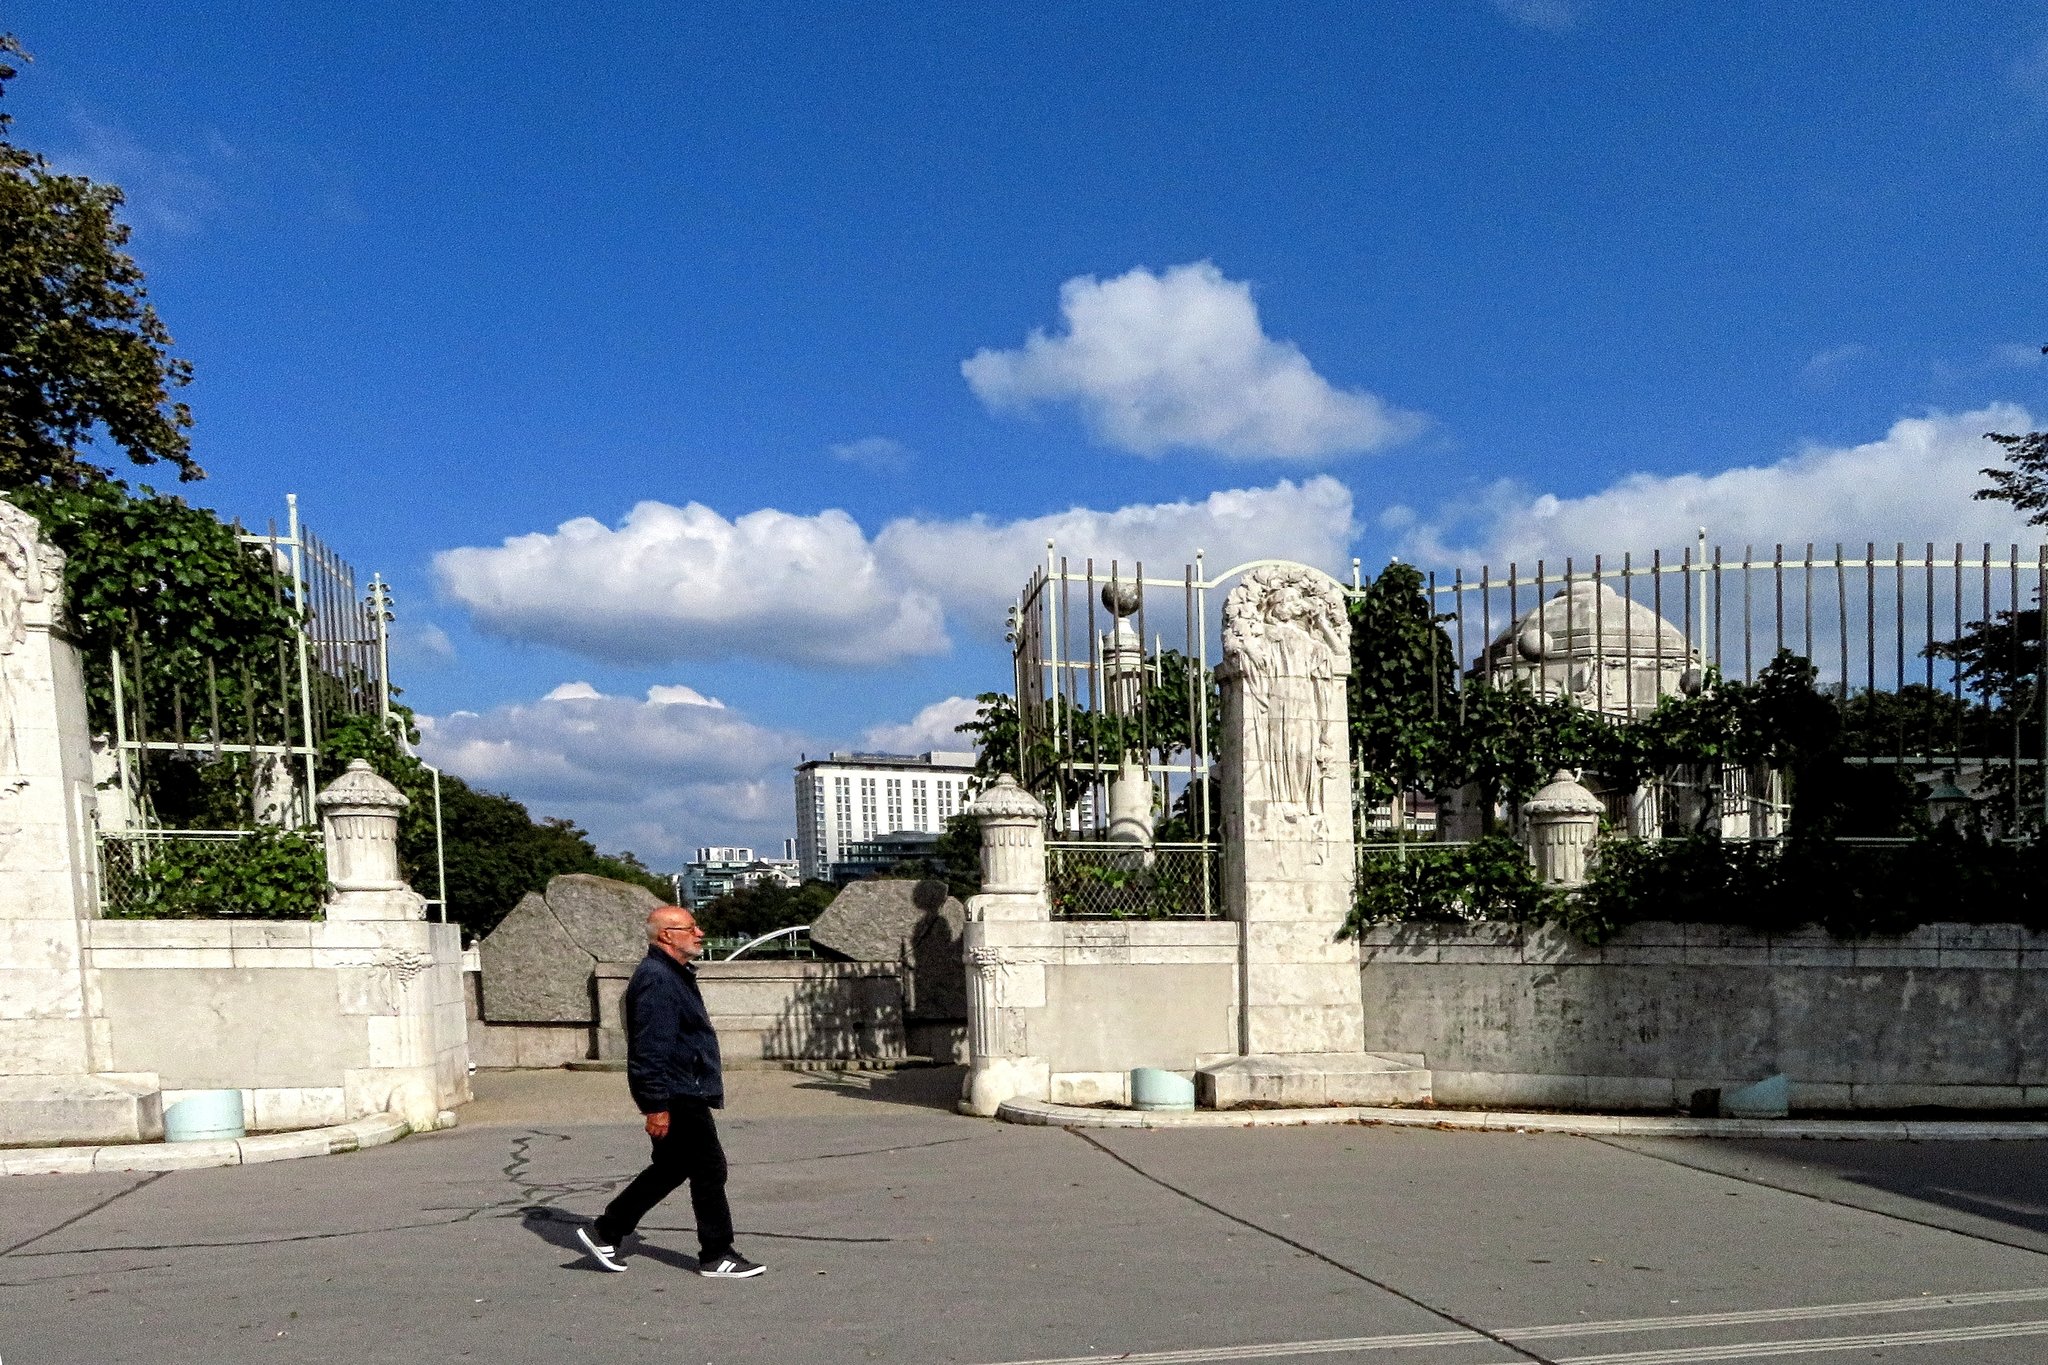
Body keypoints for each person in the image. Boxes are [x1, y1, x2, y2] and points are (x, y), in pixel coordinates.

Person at [576, 904, 765, 1279]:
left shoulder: (671, 974)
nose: (700, 933)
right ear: (666, 935)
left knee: (672, 1167)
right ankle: (716, 1254)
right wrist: (655, 1105)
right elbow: (648, 1049)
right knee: (709, 1170)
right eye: (691, 928)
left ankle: (606, 1231)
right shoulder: (658, 979)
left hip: (679, 1086)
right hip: (677, 1091)